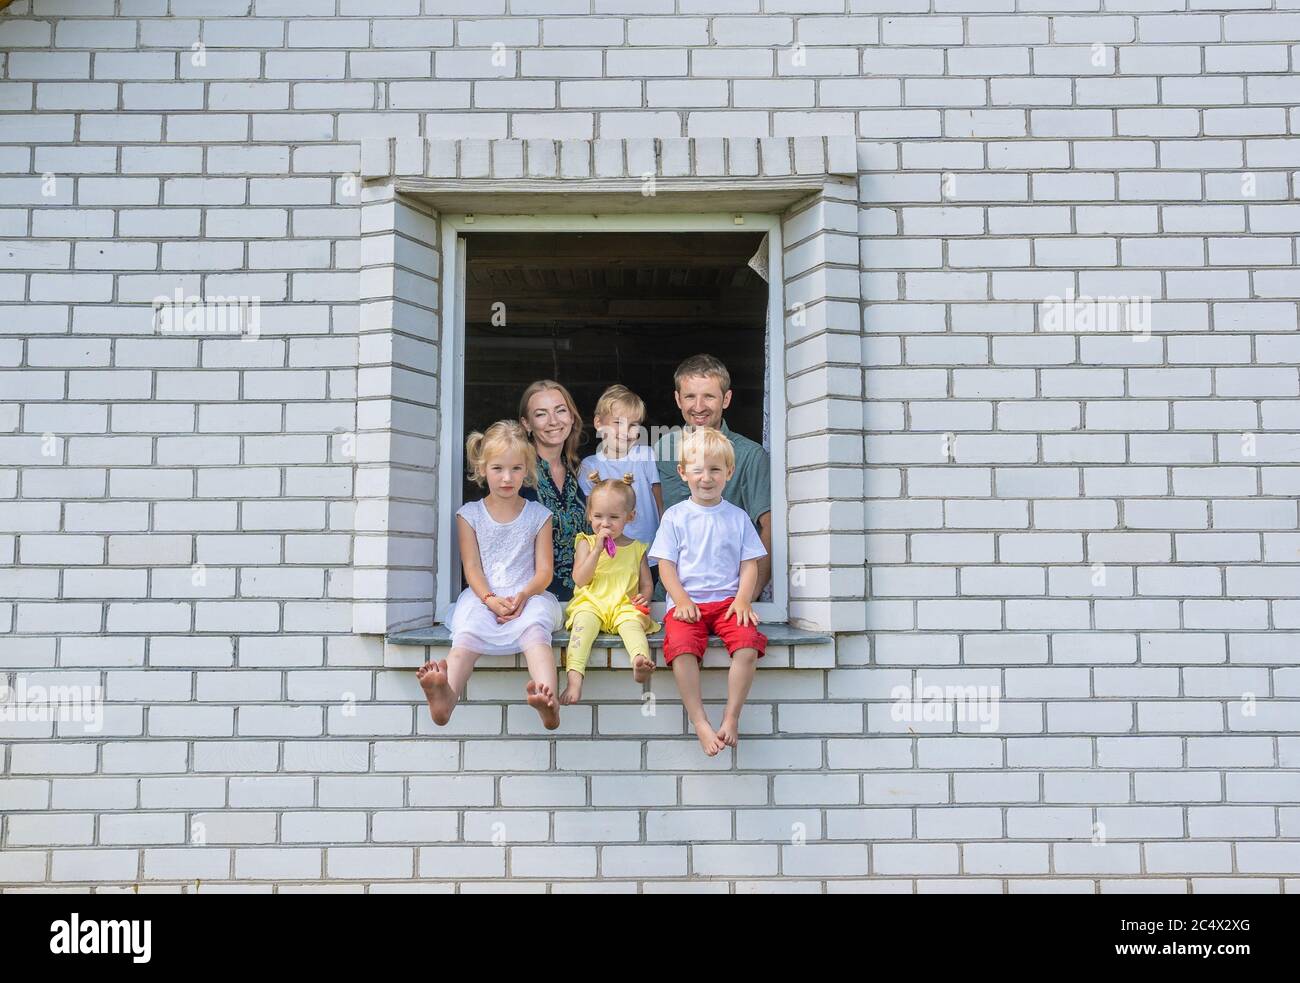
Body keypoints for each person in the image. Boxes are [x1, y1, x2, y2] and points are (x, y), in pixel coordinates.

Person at [417, 421, 563, 730]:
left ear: (528, 470)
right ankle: (445, 696)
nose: (507, 477)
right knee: (466, 634)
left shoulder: (539, 515)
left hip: (529, 594)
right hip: (484, 595)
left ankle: (548, 700)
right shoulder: (469, 514)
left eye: (516, 468)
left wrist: (523, 595)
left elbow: (545, 572)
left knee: (537, 633)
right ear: (483, 469)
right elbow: (472, 569)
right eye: (498, 468)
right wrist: (490, 599)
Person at [649, 427, 767, 756]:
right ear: (683, 472)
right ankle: (700, 721)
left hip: (729, 604)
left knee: (747, 647)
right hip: (689, 605)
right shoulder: (675, 517)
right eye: (698, 469)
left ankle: (731, 718)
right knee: (682, 650)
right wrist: (681, 600)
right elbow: (666, 565)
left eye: (715, 469)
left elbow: (749, 565)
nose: (706, 477)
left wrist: (744, 599)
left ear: (729, 473)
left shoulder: (738, 517)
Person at [654, 354, 771, 600]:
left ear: (726, 399)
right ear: (677, 399)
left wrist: (749, 598)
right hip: (672, 597)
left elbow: (769, 529)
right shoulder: (665, 448)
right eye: (689, 396)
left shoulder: (751, 455)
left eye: (709, 396)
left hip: (727, 597)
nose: (698, 406)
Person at [560, 473, 659, 705]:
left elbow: (646, 583)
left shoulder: (637, 548)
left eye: (614, 517)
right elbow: (580, 579)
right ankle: (574, 681)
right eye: (598, 516)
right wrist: (597, 551)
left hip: (623, 605)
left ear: (630, 516)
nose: (605, 523)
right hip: (592, 603)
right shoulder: (586, 542)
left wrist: (644, 598)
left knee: (633, 626)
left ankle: (640, 662)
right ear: (589, 515)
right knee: (580, 633)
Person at [518, 379, 590, 601]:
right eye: (541, 414)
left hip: (581, 601)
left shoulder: (581, 472)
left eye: (560, 411)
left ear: (571, 417)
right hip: (531, 600)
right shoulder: (517, 473)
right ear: (527, 424)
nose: (553, 421)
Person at [578, 384, 662, 555]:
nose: (626, 431)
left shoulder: (646, 456)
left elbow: (659, 502)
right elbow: (590, 512)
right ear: (599, 423)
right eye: (618, 423)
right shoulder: (589, 466)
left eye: (633, 425)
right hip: (610, 554)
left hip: (649, 550)